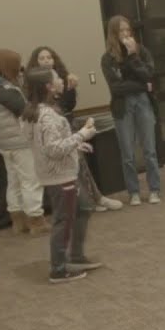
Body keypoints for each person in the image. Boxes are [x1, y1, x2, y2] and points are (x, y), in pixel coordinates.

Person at [24, 66, 103, 284]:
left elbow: (45, 147)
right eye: (57, 77)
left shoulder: (35, 111)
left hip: (57, 174)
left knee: (84, 207)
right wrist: (82, 136)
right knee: (63, 221)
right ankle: (58, 269)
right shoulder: (47, 116)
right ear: (48, 86)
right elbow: (53, 149)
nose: (61, 79)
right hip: (61, 178)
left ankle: (75, 256)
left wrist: (75, 146)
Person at [29, 46, 123, 213]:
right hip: (55, 165)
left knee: (80, 165)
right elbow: (53, 148)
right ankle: (88, 202)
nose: (46, 61)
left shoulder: (60, 89)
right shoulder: (45, 112)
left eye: (49, 57)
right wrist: (81, 135)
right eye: (41, 58)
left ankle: (95, 198)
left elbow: (68, 105)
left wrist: (70, 89)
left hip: (65, 132)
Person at [0, 49, 49, 235]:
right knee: (31, 181)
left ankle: (18, 221)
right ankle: (36, 221)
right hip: (21, 142)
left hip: (5, 144)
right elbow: (27, 114)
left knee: (13, 181)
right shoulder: (6, 91)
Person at [101, 15, 162, 206]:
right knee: (127, 153)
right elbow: (116, 87)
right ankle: (134, 192)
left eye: (128, 30)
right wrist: (142, 85)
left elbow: (149, 75)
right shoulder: (108, 58)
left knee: (149, 150)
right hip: (122, 105)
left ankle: (154, 190)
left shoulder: (141, 51)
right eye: (121, 31)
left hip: (143, 103)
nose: (126, 34)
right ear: (113, 34)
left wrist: (133, 55)